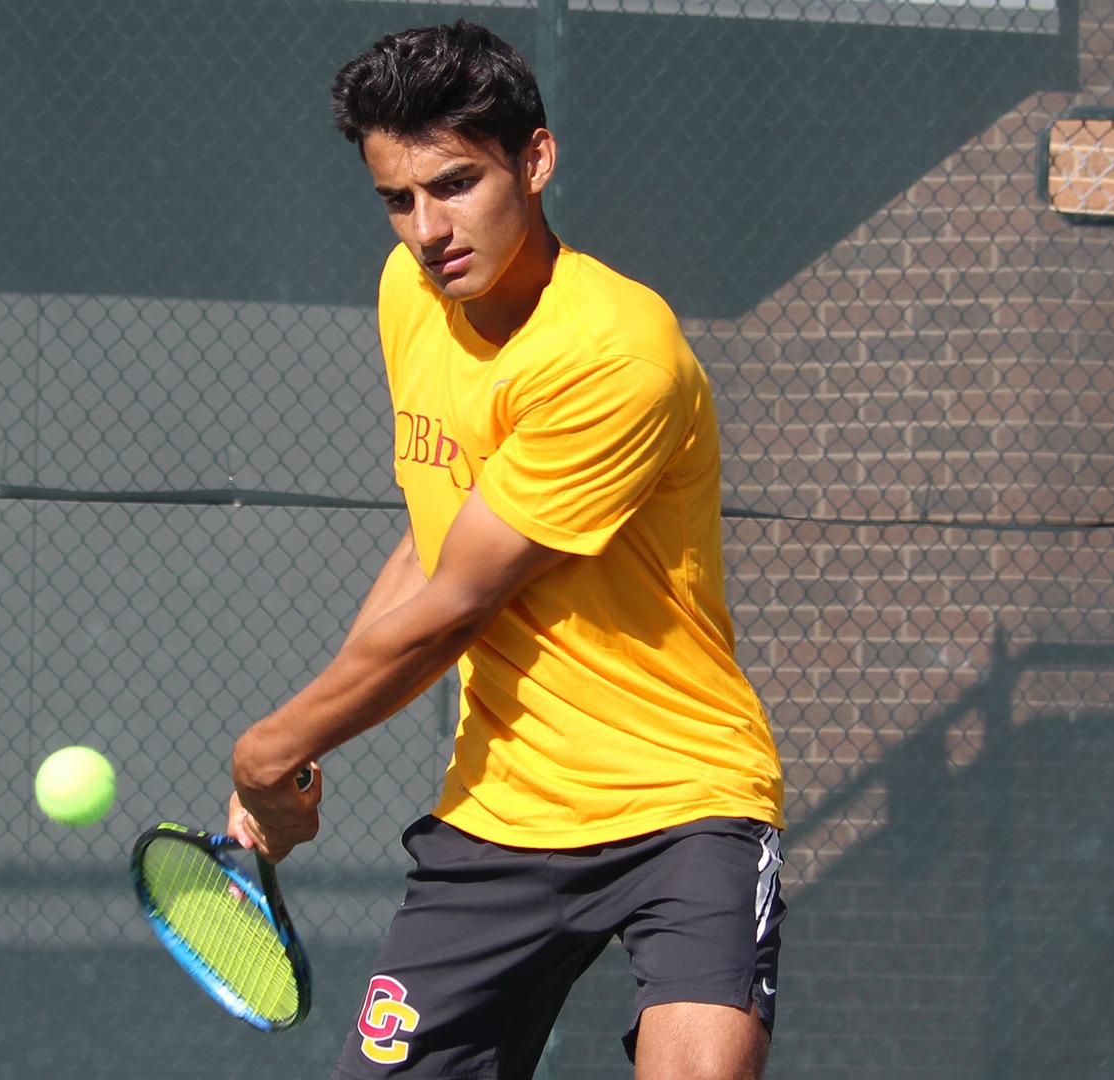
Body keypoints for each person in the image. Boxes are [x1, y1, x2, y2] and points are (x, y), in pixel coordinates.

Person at [225, 20, 786, 1080]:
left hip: (685, 801)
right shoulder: (413, 297)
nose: (429, 228)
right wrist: (307, 746)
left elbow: (457, 605)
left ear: (534, 160)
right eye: (399, 199)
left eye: (455, 183)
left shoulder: (615, 354)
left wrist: (264, 752)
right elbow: (438, 543)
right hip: (501, 814)